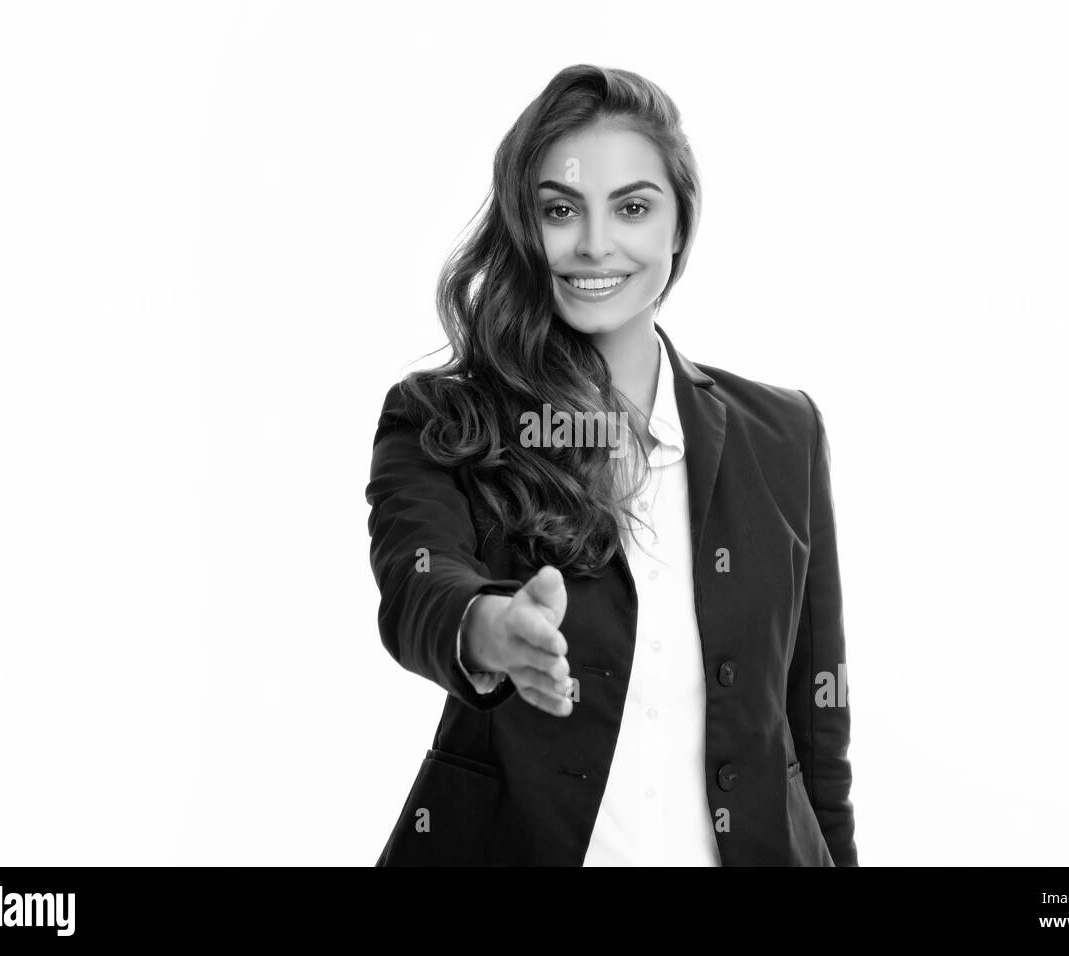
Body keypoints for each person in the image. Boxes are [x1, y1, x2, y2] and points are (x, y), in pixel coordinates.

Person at [365, 63, 857, 866]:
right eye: (561, 210)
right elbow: (418, 584)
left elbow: (816, 729)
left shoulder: (784, 433)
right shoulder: (444, 419)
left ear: (678, 227)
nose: (595, 243)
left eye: (632, 207)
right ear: (526, 228)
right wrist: (488, 629)